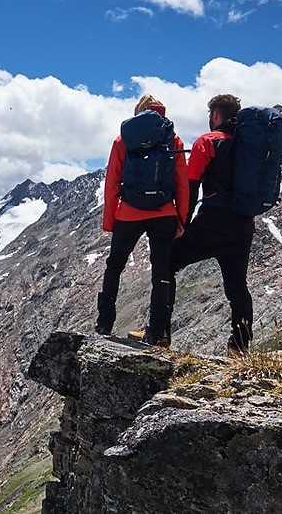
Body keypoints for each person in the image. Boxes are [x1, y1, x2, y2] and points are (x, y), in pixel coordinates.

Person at [160, 93, 257, 355]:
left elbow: (191, 187)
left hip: (212, 224)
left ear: (215, 115)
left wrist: (182, 223)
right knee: (237, 287)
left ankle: (160, 333)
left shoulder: (207, 142)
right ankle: (239, 346)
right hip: (244, 226)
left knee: (167, 263)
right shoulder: (250, 146)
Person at [96, 95, 189, 346]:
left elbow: (112, 181)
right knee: (161, 271)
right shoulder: (173, 140)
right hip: (164, 214)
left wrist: (110, 220)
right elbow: (181, 182)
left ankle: (104, 322)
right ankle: (156, 332)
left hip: (129, 212)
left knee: (114, 265)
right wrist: (181, 218)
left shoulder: (123, 139)